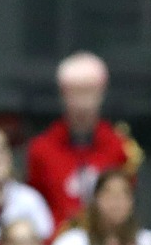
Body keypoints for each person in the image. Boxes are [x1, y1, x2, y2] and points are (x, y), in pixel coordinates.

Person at [27, 52, 138, 227]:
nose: (82, 103)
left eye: (89, 93)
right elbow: (34, 206)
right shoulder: (41, 149)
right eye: (75, 93)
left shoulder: (120, 147)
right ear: (63, 94)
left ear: (102, 93)